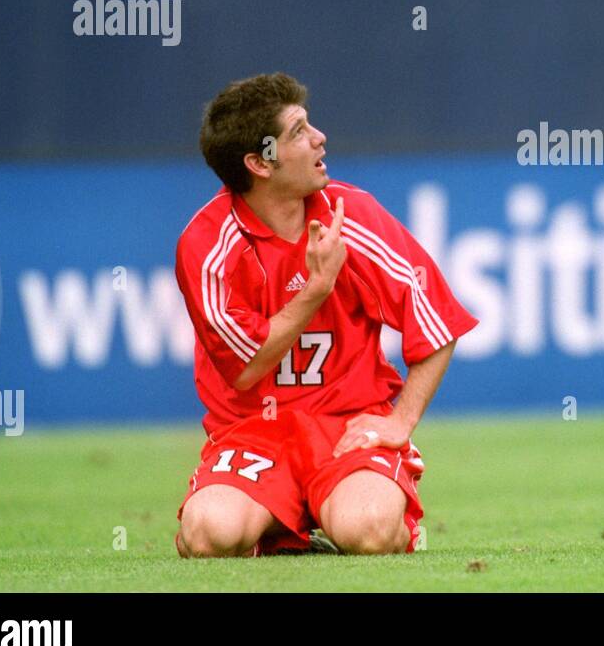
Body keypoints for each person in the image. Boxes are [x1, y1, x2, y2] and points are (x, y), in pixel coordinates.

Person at [172, 72, 476, 556]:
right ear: (259, 162)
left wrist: (400, 422)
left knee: (369, 531)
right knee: (209, 535)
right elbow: (247, 369)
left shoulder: (351, 214)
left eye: (309, 125)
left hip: (349, 424)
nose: (319, 138)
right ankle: (283, 525)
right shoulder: (207, 245)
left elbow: (437, 319)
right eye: (298, 132)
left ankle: (335, 524)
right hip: (254, 434)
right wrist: (316, 290)